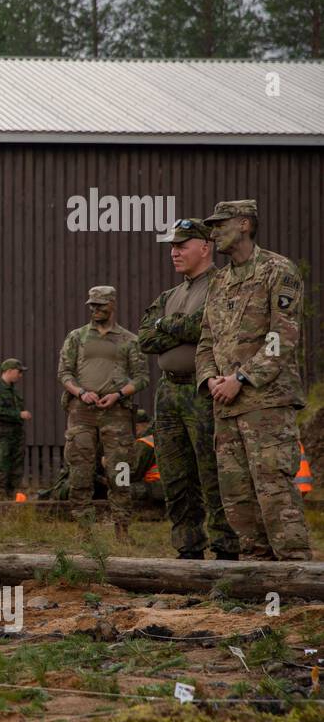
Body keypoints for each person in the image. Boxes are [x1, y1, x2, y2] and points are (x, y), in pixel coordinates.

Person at [196, 200, 311, 562]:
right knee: (237, 496)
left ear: (244, 224)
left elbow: (283, 338)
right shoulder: (219, 282)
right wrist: (210, 379)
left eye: (221, 224)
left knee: (273, 490)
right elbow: (206, 341)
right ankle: (257, 580)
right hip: (226, 406)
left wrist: (241, 378)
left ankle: (297, 578)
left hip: (267, 403)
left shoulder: (279, 270)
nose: (213, 232)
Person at [138, 218, 239, 560]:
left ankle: (226, 547)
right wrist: (174, 328)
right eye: (172, 246)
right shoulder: (170, 294)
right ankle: (188, 547)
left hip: (203, 389)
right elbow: (145, 339)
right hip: (168, 393)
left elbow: (205, 326)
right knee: (175, 474)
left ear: (205, 247)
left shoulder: (221, 285)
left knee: (211, 471)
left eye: (182, 245)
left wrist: (165, 324)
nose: (174, 252)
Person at [57, 285, 148, 543]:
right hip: (82, 412)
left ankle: (122, 528)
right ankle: (84, 529)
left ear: (112, 305)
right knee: (80, 470)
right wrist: (80, 392)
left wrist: (119, 394)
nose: (95, 310)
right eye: (92, 305)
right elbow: (64, 373)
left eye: (100, 305)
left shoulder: (129, 340)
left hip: (117, 414)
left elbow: (142, 378)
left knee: (120, 470)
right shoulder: (77, 337)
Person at [0, 358, 31, 498]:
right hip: (1, 436)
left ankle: (14, 502)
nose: (20, 375)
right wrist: (18, 414)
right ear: (9, 371)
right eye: (19, 372)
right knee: (0, 469)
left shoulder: (13, 390)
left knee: (16, 470)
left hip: (15, 436)